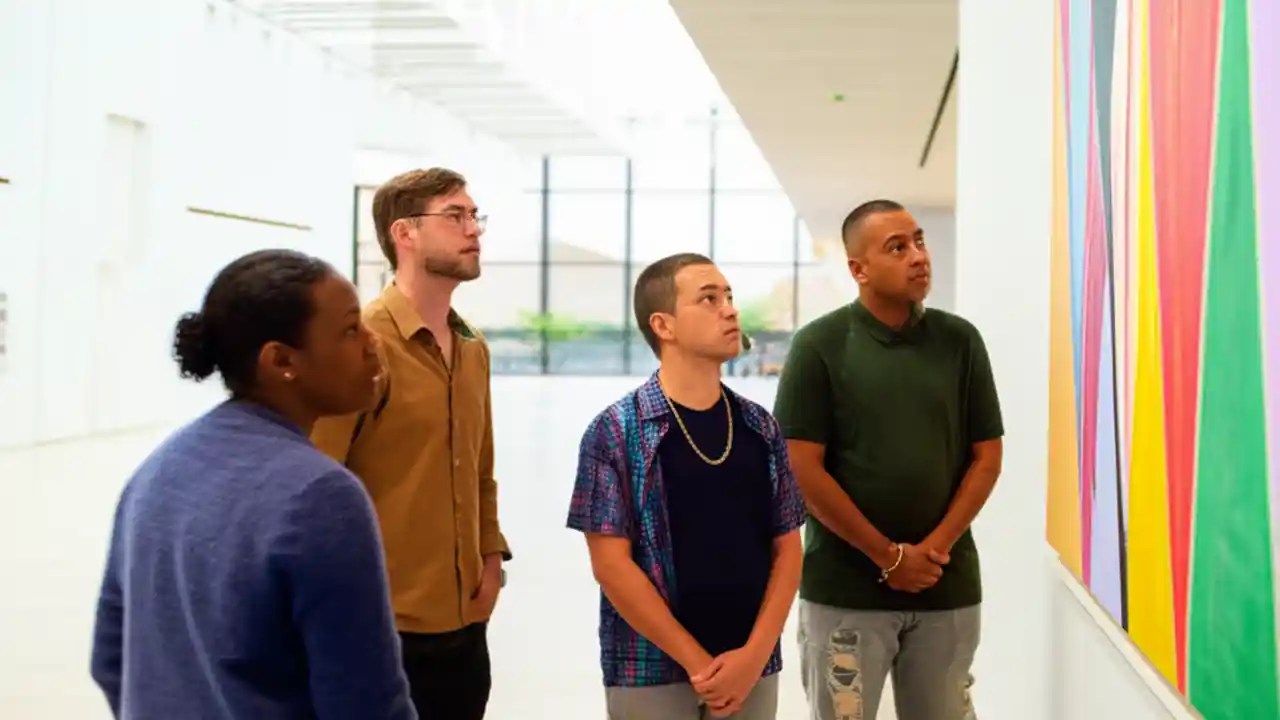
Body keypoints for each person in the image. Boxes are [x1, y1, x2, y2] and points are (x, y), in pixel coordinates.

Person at [89, 249, 415, 719]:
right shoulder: (321, 497)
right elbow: (365, 705)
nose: (372, 343)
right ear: (281, 360)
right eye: (349, 330)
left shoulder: (157, 469)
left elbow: (111, 659)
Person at [773, 200, 1004, 720]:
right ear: (858, 269)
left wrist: (931, 551)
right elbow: (800, 469)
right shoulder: (819, 346)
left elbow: (986, 457)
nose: (918, 256)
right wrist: (887, 556)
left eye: (919, 241)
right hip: (846, 596)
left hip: (946, 587)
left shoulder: (960, 341)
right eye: (897, 248)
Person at [567, 253, 806, 720]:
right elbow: (611, 567)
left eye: (730, 297)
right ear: (664, 325)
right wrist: (700, 666)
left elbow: (789, 548)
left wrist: (755, 655)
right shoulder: (615, 431)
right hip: (650, 670)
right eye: (709, 299)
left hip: (752, 667)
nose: (730, 310)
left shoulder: (760, 427)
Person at [310, 168, 511, 720]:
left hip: (466, 631)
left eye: (475, 216)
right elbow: (315, 488)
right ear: (405, 234)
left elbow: (480, 471)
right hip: (379, 631)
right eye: (456, 216)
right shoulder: (360, 346)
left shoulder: (472, 350)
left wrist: (491, 559)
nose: (474, 229)